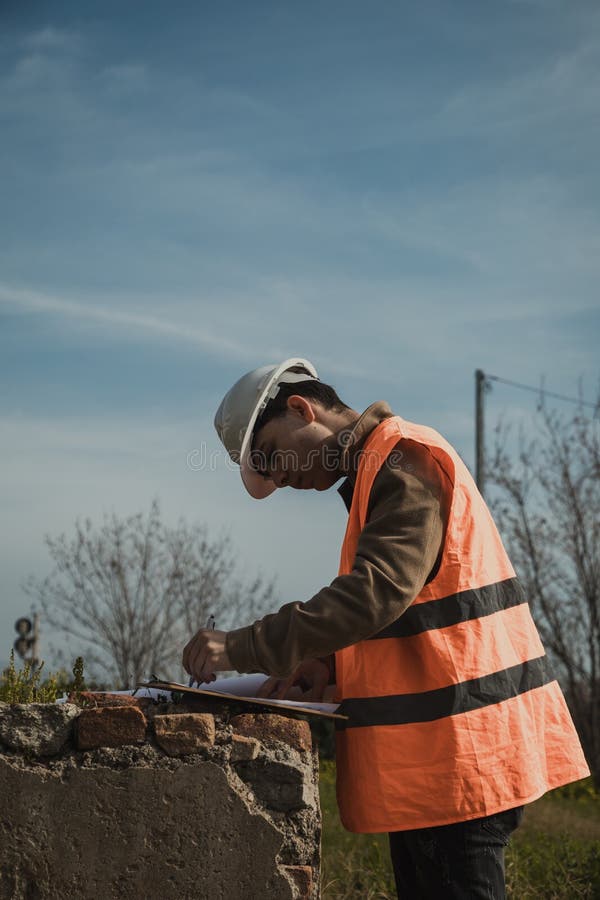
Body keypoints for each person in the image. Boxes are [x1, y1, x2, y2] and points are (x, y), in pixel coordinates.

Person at [182, 357, 590, 899]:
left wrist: (244, 646)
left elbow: (376, 594)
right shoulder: (378, 470)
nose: (281, 479)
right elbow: (405, 610)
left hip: (462, 755)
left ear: (302, 408)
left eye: (273, 455)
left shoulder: (405, 460)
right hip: (437, 764)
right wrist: (324, 665)